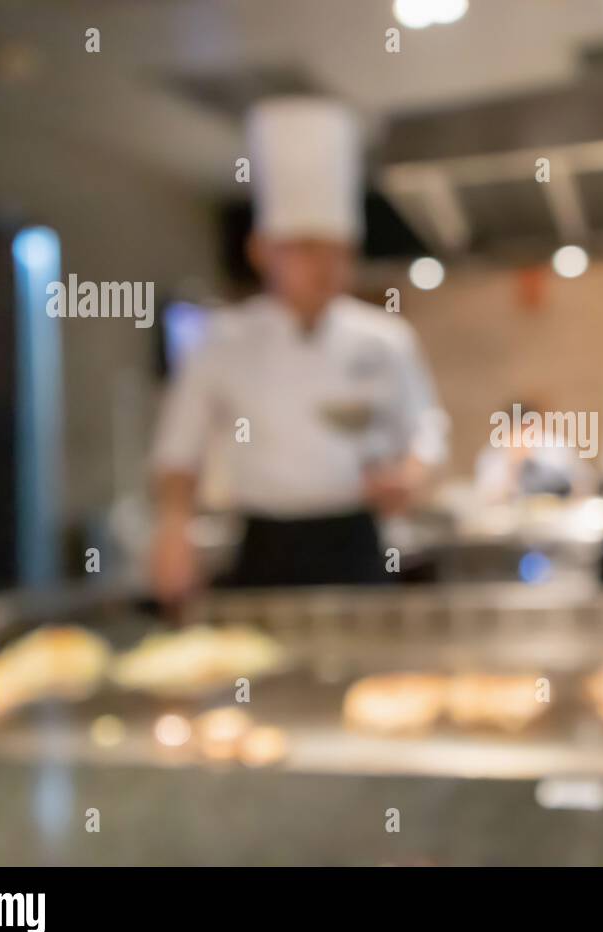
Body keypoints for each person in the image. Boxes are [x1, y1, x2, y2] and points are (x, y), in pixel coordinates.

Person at [149, 98, 447, 599]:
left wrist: (412, 475)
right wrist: (174, 528)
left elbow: (426, 430)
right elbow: (179, 450)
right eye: (307, 247)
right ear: (262, 250)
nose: (325, 266)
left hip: (357, 540)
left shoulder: (386, 339)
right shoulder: (222, 341)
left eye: (339, 250)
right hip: (266, 543)